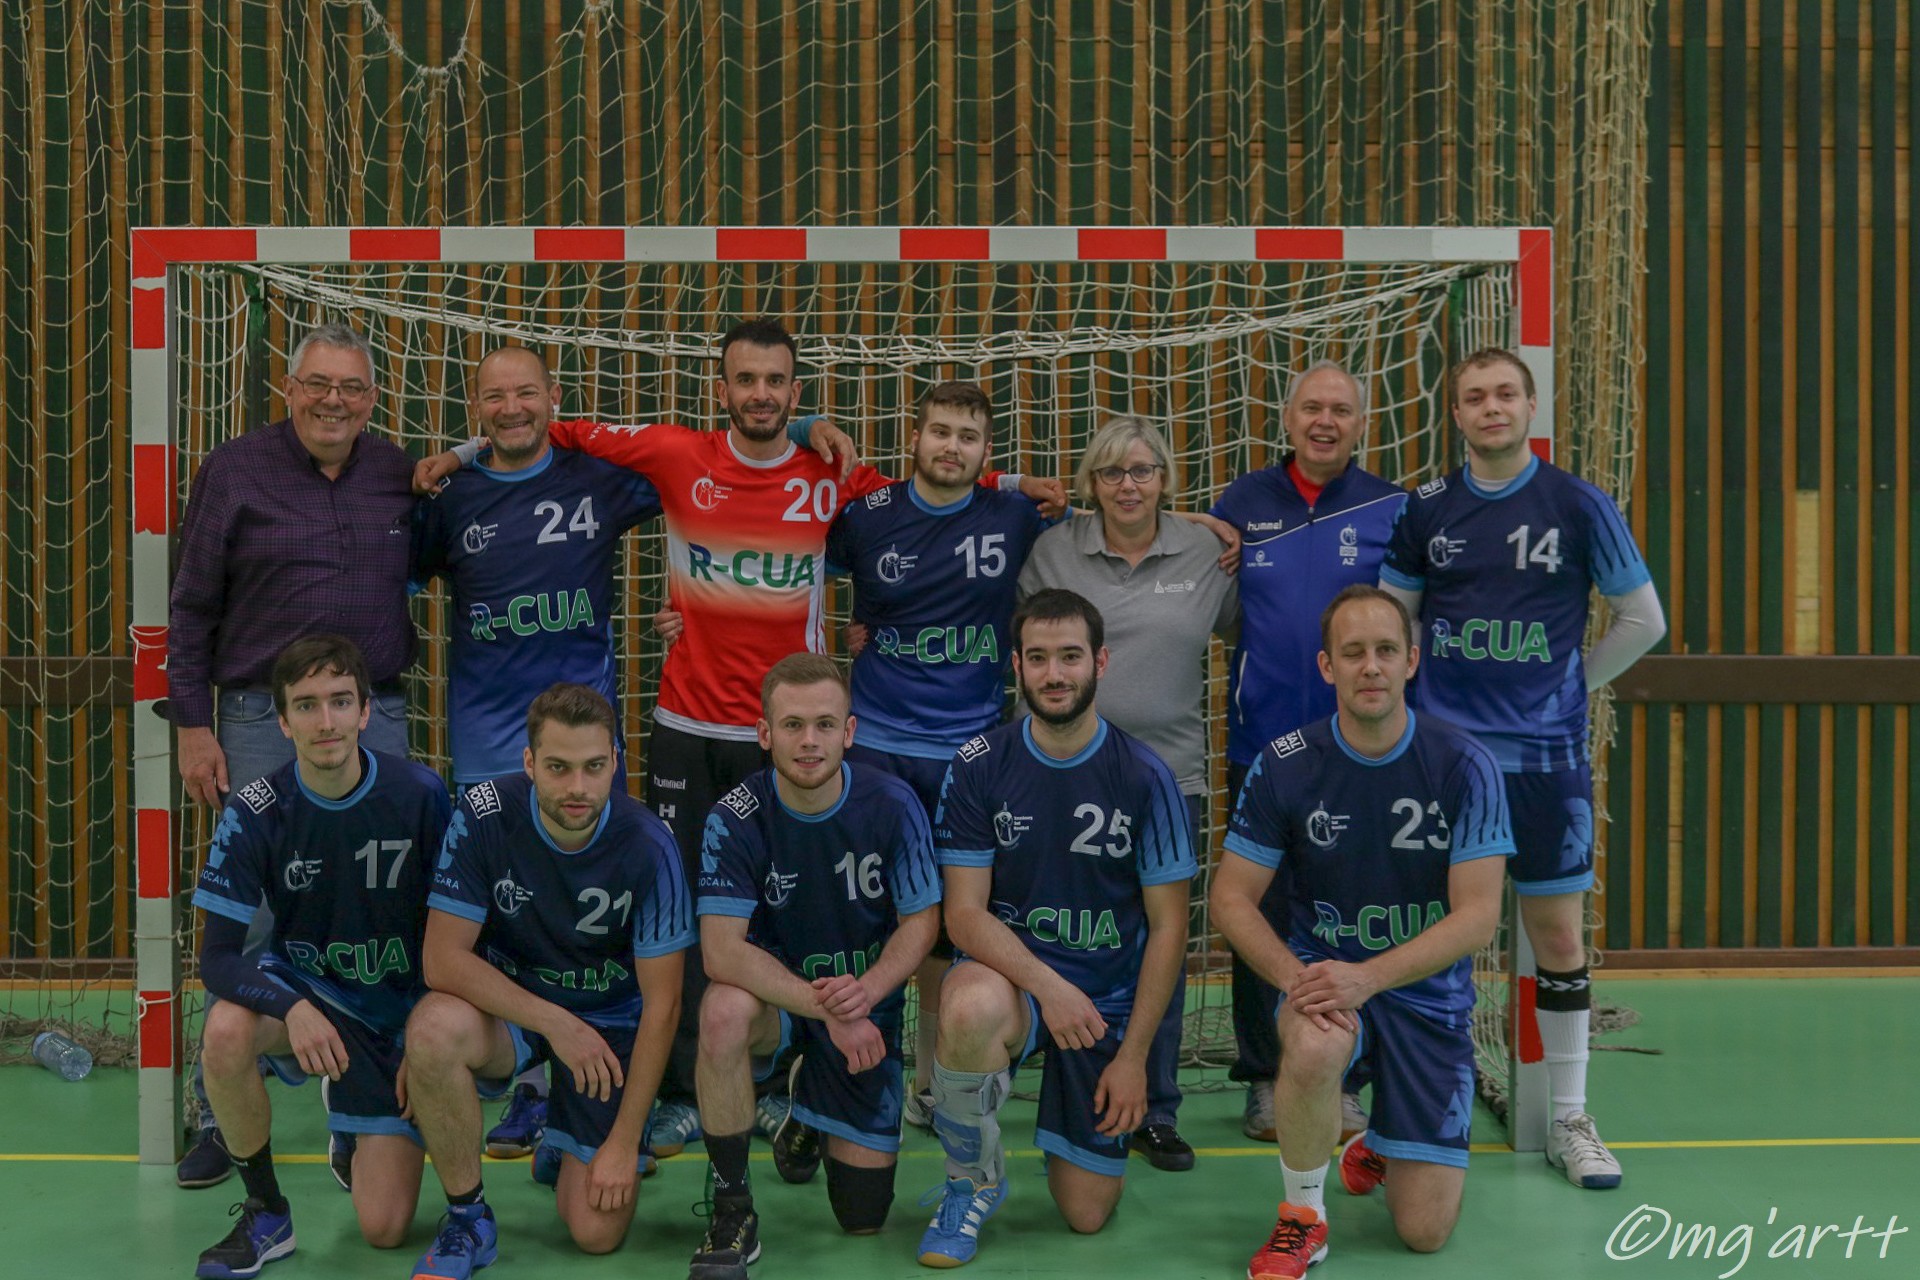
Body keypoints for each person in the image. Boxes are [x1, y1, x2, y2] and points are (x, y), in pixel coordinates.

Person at [421, 318, 1055, 1155]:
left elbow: (931, 487)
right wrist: (462, 452)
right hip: (688, 729)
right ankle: (686, 1087)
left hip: (786, 739)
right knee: (685, 914)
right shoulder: (675, 454)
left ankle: (792, 1076)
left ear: (795, 391)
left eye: (776, 382)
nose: (760, 394)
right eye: (746, 380)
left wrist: (1011, 481)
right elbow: (549, 427)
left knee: (802, 911)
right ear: (721, 389)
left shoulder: (830, 473)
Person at [1379, 347, 1667, 1190]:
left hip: (1545, 762)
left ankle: (1570, 1117)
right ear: (1457, 414)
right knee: (1426, 936)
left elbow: (1643, 619)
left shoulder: (1577, 503)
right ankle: (1417, 1105)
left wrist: (1571, 686)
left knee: (1559, 938)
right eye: (1475, 397)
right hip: (1444, 765)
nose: (1491, 407)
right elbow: (1393, 623)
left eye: (1505, 393)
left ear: (1530, 405)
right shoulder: (1427, 508)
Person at [170, 323, 417, 1187]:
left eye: (350, 387)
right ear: (289, 388)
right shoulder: (234, 470)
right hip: (256, 720)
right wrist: (193, 724)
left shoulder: (397, 474)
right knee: (255, 914)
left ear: (372, 399)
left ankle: (365, 1100)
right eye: (318, 383)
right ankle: (221, 1106)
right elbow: (191, 606)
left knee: (381, 911)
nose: (333, 401)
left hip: (376, 713)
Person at [1209, 585, 1512, 1276]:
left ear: (1411, 661)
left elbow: (1478, 917)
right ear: (1327, 667)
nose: (1370, 666)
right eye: (1352, 653)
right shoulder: (1286, 762)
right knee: (1314, 1043)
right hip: (1325, 973)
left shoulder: (1464, 763)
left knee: (1424, 1233)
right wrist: (1299, 981)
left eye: (1385, 651)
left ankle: (1379, 1141)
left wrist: (1367, 977)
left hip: (1427, 996)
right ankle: (1303, 1218)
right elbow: (1229, 899)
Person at [411, 345, 666, 1159]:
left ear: (554, 397)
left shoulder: (599, 479)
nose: (512, 408)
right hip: (491, 749)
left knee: (592, 920)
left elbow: (707, 474)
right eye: (495, 397)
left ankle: (602, 1078)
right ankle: (525, 1083)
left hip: (582, 753)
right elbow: (396, 578)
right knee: (503, 920)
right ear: (476, 407)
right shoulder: (452, 499)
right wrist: (460, 458)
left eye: (526, 393)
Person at [921, 589, 1195, 1266]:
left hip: (1105, 1003)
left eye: (1070, 656)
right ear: (1016, 666)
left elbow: (1169, 930)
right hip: (1019, 984)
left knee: (1086, 1215)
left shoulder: (1145, 776)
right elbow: (963, 914)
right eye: (1038, 658)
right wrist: (1049, 987)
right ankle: (970, 1180)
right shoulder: (979, 764)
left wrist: (1134, 1060)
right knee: (967, 1004)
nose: (1054, 674)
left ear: (1100, 662)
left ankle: (1067, 1135)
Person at [401, 684, 692, 1279]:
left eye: (594, 767)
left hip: (609, 1026)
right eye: (558, 768)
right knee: (431, 1032)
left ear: (616, 762)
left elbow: (663, 1007)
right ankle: (468, 1219)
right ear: (529, 762)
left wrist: (623, 1141)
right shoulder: (484, 814)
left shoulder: (650, 845)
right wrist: (557, 1024)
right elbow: (441, 961)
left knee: (595, 1234)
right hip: (520, 1012)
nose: (578, 787)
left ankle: (567, 1138)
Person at [823, 380, 1051, 1129]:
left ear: (987, 453)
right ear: (914, 438)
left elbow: (1116, 521)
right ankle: (845, 1079)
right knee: (866, 919)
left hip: (969, 752)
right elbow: (786, 569)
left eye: (968, 436)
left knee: (954, 925)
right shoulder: (866, 516)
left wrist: (1210, 529)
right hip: (878, 747)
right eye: (941, 431)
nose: (952, 446)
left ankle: (932, 1080)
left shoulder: (1014, 515)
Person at [186, 635, 452, 1278]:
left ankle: (352, 1116)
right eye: (306, 705)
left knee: (384, 1229)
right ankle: (266, 1212)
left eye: (340, 701)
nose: (325, 721)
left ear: (366, 711)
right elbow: (217, 959)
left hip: (395, 1011)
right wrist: (294, 1008)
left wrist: (424, 1041)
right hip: (310, 994)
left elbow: (459, 939)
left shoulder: (420, 795)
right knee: (224, 1030)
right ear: (282, 721)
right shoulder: (256, 810)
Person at [1016, 416, 1237, 1170]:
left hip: (1168, 780)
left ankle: (1156, 1106)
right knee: (1053, 932)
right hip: (1058, 779)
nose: (1128, 485)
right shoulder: (1053, 550)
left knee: (1159, 941)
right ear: (1091, 483)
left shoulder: (1207, 552)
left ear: (1165, 479)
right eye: (1111, 472)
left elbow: (1252, 627)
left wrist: (1212, 527)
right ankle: (1050, 1082)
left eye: (1142, 470)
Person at [688, 654, 942, 1279]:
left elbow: (922, 922)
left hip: (865, 1010)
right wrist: (828, 1011)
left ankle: (805, 1109)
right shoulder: (733, 817)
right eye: (793, 725)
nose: (809, 741)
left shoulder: (893, 803)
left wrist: (868, 994)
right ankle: (732, 1209)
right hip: (781, 1008)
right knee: (721, 1010)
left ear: (849, 731)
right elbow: (721, 951)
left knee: (863, 1217)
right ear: (764, 733)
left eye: (825, 725)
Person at [1207, 360, 1408, 1144]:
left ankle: (1348, 1078)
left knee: (1352, 916)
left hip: (1363, 754)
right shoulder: (1242, 503)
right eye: (1312, 408)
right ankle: (1265, 1077)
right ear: (1288, 419)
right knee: (1259, 914)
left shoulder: (1393, 508)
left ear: (1361, 425)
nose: (1326, 422)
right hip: (1263, 748)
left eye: (1342, 411)